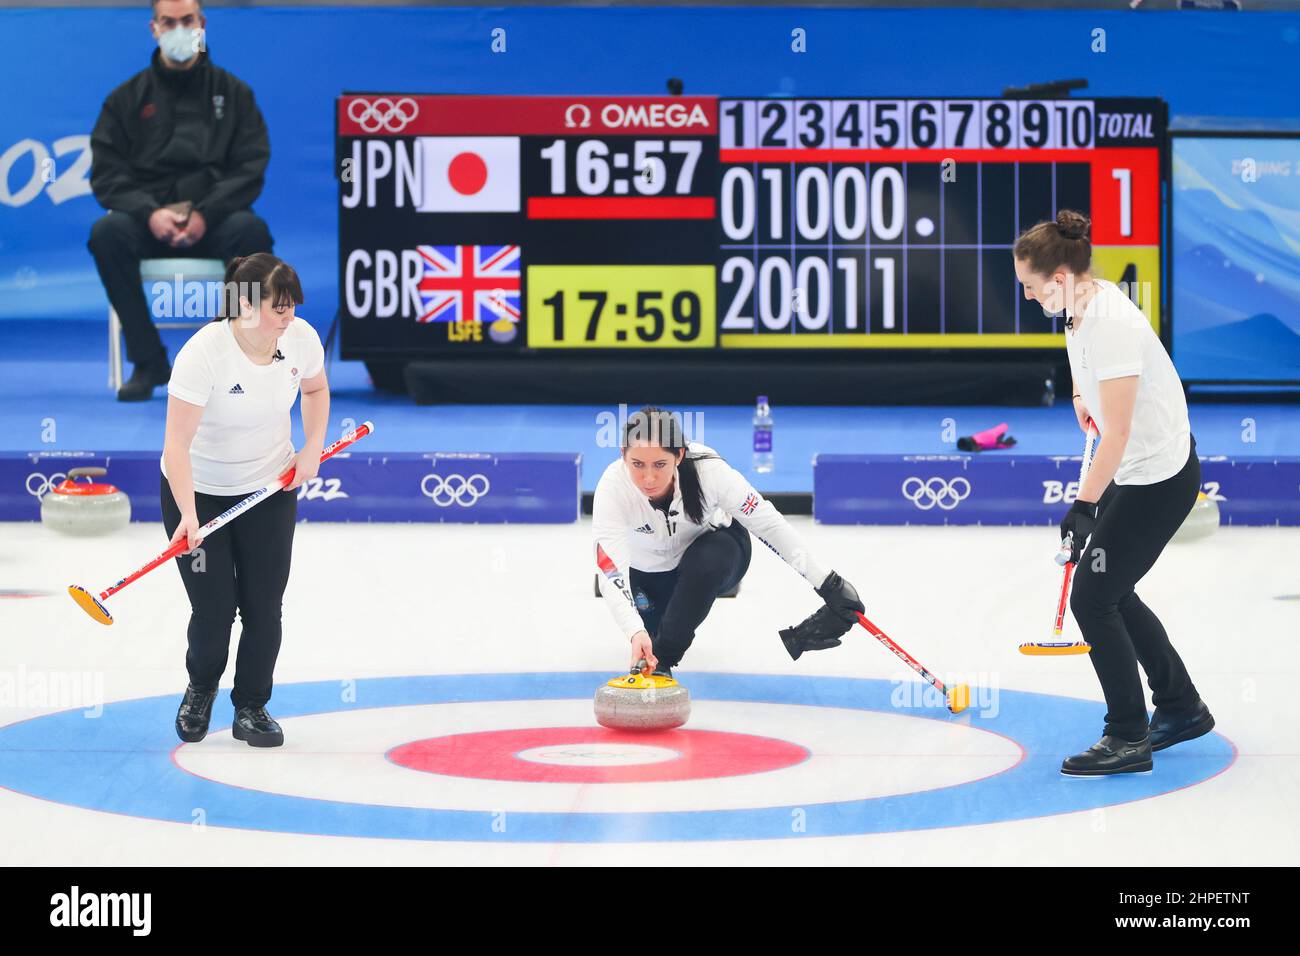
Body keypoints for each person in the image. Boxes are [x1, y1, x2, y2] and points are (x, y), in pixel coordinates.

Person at [1014, 209, 1215, 777]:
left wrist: (1083, 506)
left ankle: (1127, 735)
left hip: (1159, 477)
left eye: (1030, 287)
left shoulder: (1112, 322)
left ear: (1058, 278)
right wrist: (1083, 396)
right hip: (1138, 469)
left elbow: (1121, 434)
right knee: (1113, 589)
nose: (1028, 297)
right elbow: (1090, 371)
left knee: (1093, 596)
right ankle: (1181, 707)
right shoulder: (1077, 306)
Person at [160, 253, 327, 747]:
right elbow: (176, 445)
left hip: (268, 488)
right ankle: (201, 688)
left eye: (292, 305)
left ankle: (252, 705)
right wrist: (188, 515)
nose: (289, 316)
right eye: (279, 308)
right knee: (214, 609)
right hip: (199, 493)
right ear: (245, 306)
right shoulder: (204, 353)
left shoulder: (300, 339)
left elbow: (316, 390)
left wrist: (312, 446)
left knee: (263, 606)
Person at [88, 0, 274, 402]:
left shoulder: (234, 94)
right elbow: (107, 173)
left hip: (216, 219)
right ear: (154, 29)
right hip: (149, 222)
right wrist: (148, 212)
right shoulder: (125, 100)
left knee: (252, 232)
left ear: (201, 24)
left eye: (186, 21)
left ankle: (232, 361)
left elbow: (250, 167)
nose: (178, 29)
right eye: (168, 22)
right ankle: (149, 361)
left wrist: (206, 213)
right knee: (106, 234)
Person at [592, 406, 865, 676]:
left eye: (660, 464)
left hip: (715, 551)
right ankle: (657, 603)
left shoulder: (710, 472)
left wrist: (828, 583)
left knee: (700, 577)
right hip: (649, 571)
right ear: (623, 456)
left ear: (679, 455)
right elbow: (610, 568)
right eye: (637, 464)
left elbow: (768, 524)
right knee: (648, 628)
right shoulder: (612, 487)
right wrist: (634, 630)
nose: (648, 478)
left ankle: (664, 662)